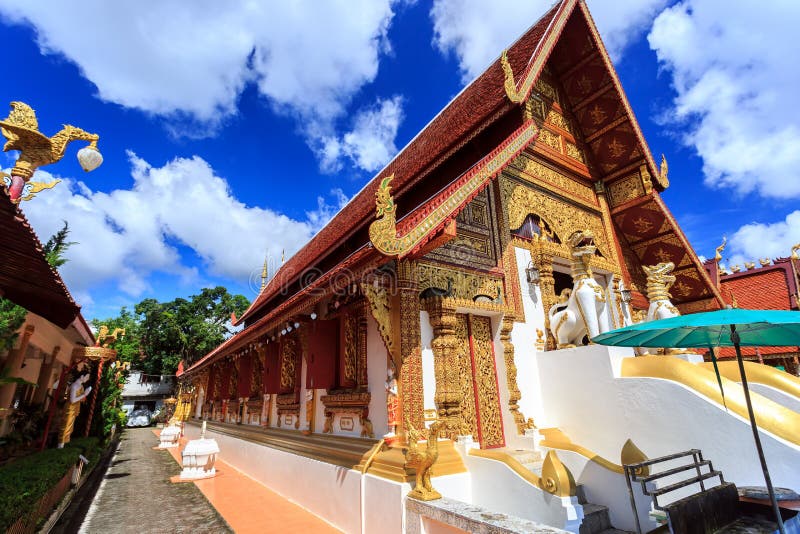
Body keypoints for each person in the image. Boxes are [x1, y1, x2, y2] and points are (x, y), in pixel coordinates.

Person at [58, 373, 92, 448]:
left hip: (75, 409)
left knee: (70, 428)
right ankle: (60, 446)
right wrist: (84, 394)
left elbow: (81, 399)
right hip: (69, 409)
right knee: (66, 427)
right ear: (81, 376)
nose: (87, 379)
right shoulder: (74, 386)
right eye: (86, 377)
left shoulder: (81, 386)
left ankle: (64, 445)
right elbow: (72, 400)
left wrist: (85, 395)